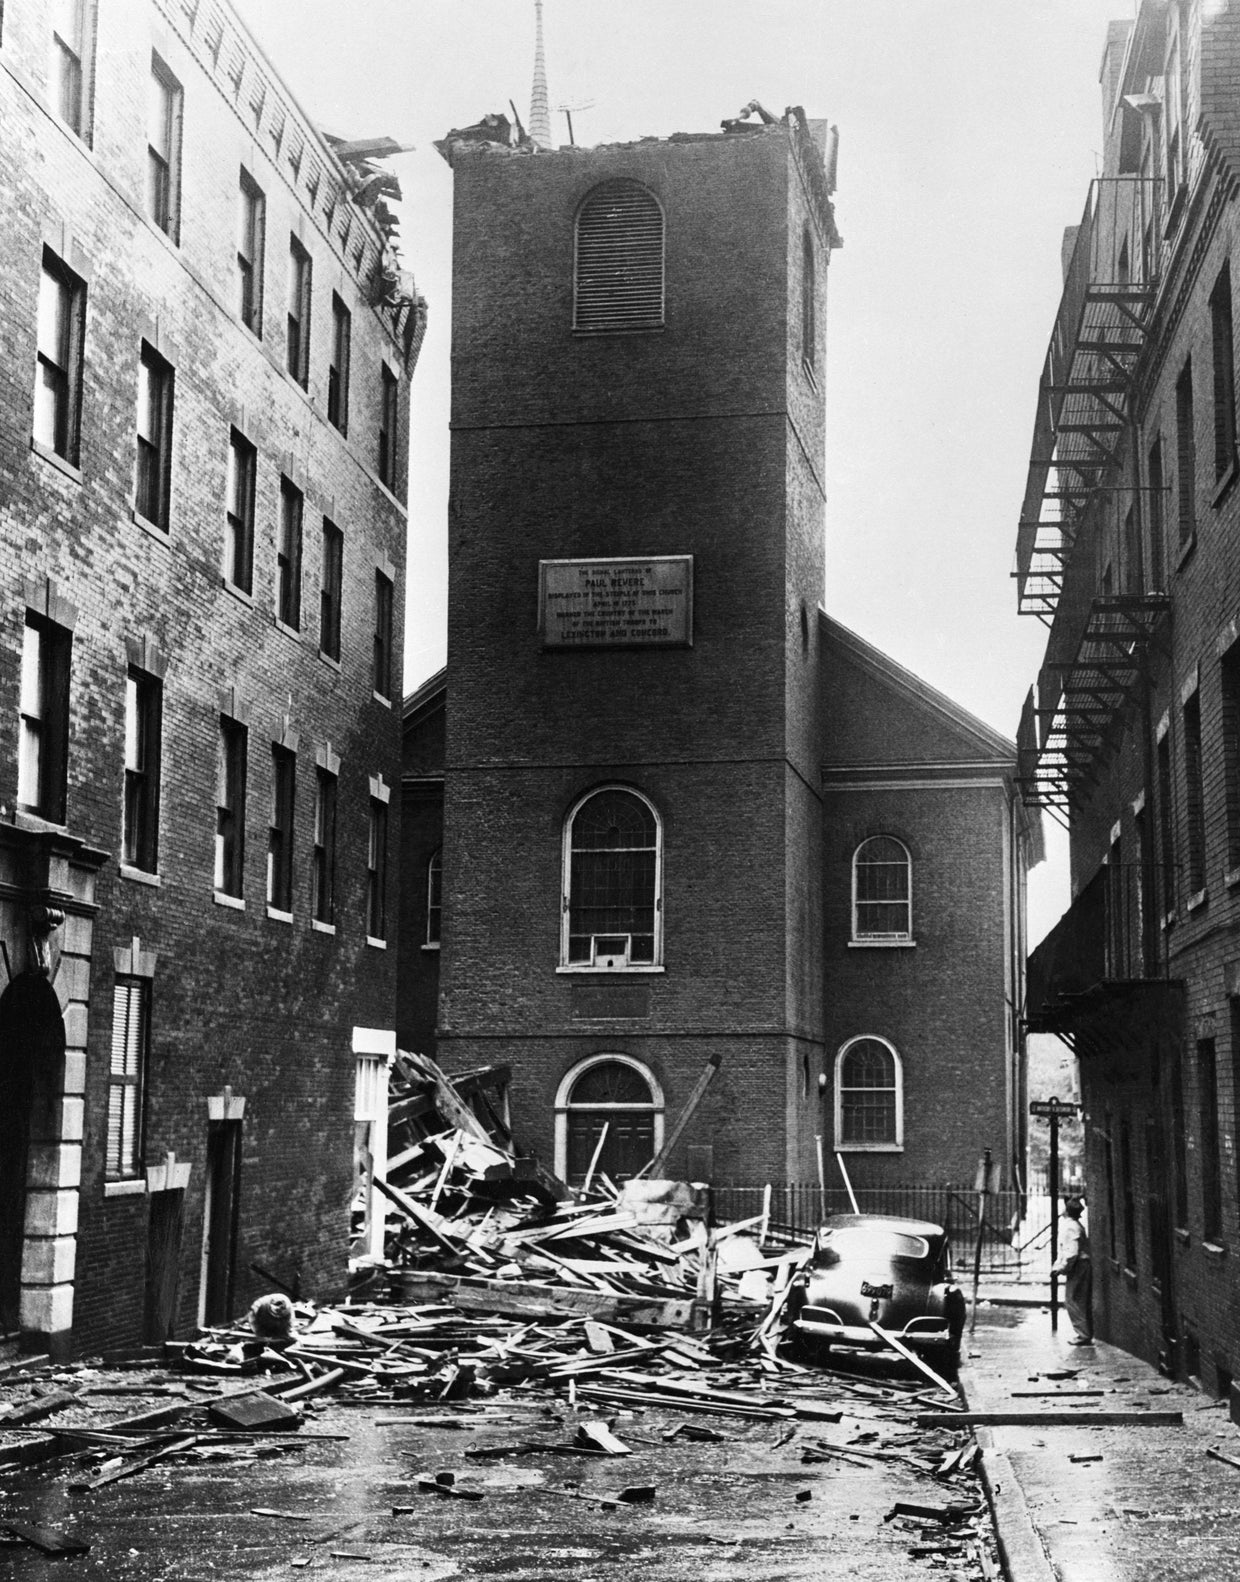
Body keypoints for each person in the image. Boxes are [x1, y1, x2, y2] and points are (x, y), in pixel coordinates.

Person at [1051, 1196, 1093, 1345]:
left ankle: (1082, 1334)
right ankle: (1085, 1333)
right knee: (1079, 1299)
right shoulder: (1076, 1224)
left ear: (1067, 1211)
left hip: (1078, 1265)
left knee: (1071, 1300)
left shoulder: (1070, 1227)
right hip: (1082, 1264)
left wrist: (1061, 1268)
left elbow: (1070, 1252)